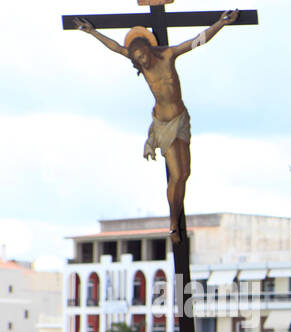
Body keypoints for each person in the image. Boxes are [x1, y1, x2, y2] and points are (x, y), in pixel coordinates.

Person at [74, 12, 239, 241]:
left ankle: (176, 216)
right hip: (163, 124)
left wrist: (220, 23)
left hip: (181, 119)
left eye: (142, 56)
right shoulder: (137, 60)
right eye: (136, 59)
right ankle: (173, 223)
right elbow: (114, 47)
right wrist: (92, 32)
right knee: (177, 174)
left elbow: (197, 41)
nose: (141, 61)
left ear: (149, 49)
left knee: (185, 175)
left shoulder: (168, 55)